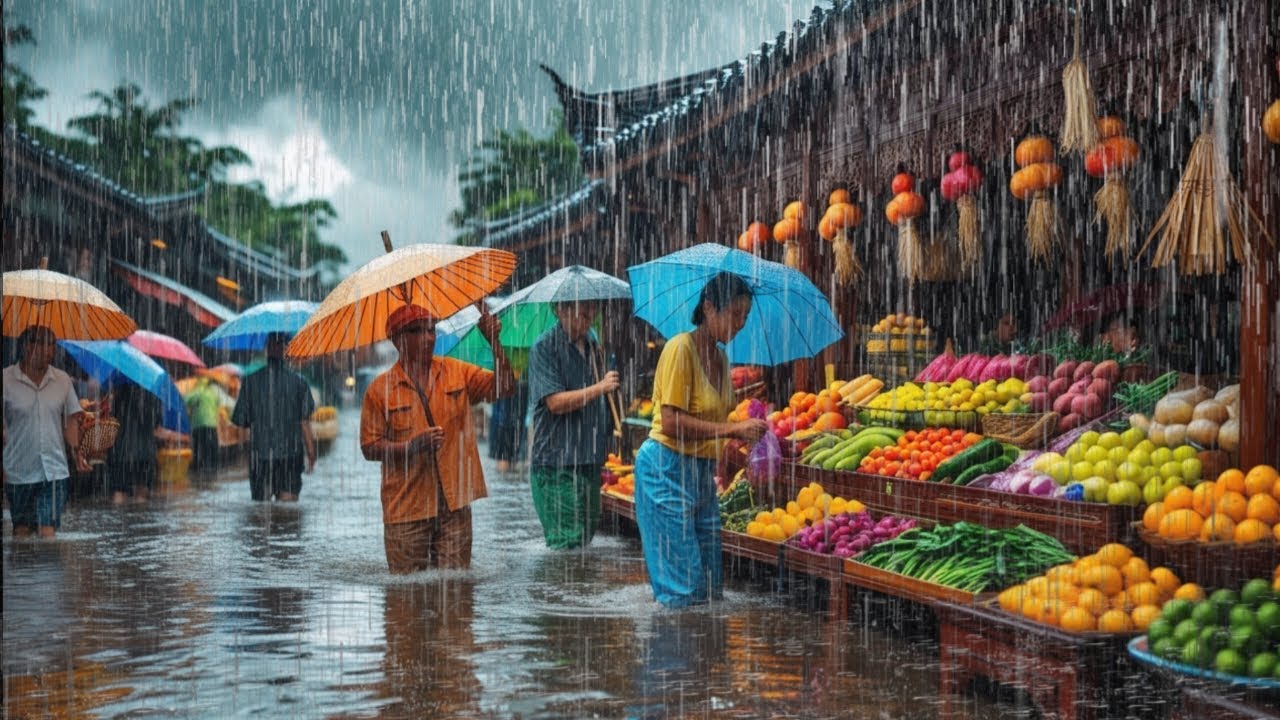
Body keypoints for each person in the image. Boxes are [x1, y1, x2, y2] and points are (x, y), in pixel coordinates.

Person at [633, 272, 768, 608]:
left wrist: (728, 461)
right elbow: (671, 421)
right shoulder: (681, 348)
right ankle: (677, 658)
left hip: (701, 476)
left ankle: (704, 658)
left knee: (710, 587)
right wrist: (733, 431)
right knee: (684, 591)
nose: (740, 323)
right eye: (735, 314)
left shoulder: (722, 360)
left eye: (745, 317)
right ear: (709, 308)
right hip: (665, 467)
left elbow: (719, 422)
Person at [360, 303, 514, 573]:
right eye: (418, 331)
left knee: (455, 596)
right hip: (406, 509)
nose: (428, 337)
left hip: (454, 506)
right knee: (406, 601)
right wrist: (411, 447)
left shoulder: (457, 372)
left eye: (431, 329)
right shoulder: (379, 390)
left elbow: (505, 387)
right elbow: (369, 448)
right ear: (397, 340)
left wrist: (495, 343)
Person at [526, 300, 621, 549]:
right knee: (567, 547)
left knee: (584, 543)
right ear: (559, 310)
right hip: (557, 464)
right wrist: (599, 387)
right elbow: (555, 403)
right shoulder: (544, 348)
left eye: (592, 306)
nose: (587, 313)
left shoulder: (593, 344)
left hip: (589, 460)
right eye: (579, 307)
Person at [3, 325, 91, 538]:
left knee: (47, 531)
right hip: (18, 470)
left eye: (52, 345)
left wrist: (77, 452)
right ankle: (24, 572)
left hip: (54, 470)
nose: (48, 351)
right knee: (21, 532)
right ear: (26, 346)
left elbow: (71, 420)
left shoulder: (62, 380)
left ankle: (48, 571)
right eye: (42, 344)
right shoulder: (5, 380)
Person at [231, 332, 317, 502]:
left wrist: (244, 457)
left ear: (266, 349)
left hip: (260, 458)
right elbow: (304, 423)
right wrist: (312, 453)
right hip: (290, 457)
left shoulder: (250, 381)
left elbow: (242, 425)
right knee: (287, 511)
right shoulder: (299, 383)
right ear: (286, 350)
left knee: (261, 514)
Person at [106, 382, 183, 504]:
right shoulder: (153, 395)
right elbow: (156, 428)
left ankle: (117, 520)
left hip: (121, 452)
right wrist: (173, 437)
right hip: (145, 453)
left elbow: (111, 421)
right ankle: (140, 518)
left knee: (119, 491)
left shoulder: (120, 391)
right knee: (141, 492)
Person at [185, 377, 220, 472]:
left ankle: (198, 467)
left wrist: (192, 409)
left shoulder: (195, 393)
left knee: (198, 447)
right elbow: (217, 404)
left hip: (197, 425)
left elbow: (185, 401)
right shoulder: (212, 393)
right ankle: (213, 467)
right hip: (211, 425)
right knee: (211, 447)